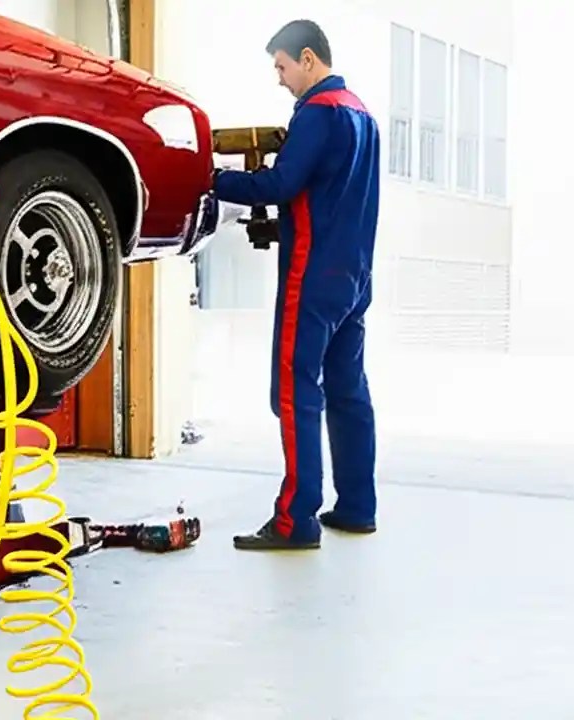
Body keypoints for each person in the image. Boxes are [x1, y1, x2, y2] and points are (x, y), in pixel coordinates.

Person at [211, 19, 381, 551]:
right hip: (354, 279)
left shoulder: (317, 113)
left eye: (282, 67)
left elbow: (281, 184)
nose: (280, 80)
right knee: (348, 391)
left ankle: (295, 520)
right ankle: (356, 507)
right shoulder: (363, 114)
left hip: (312, 276)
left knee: (294, 393)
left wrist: (213, 177)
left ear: (308, 59)